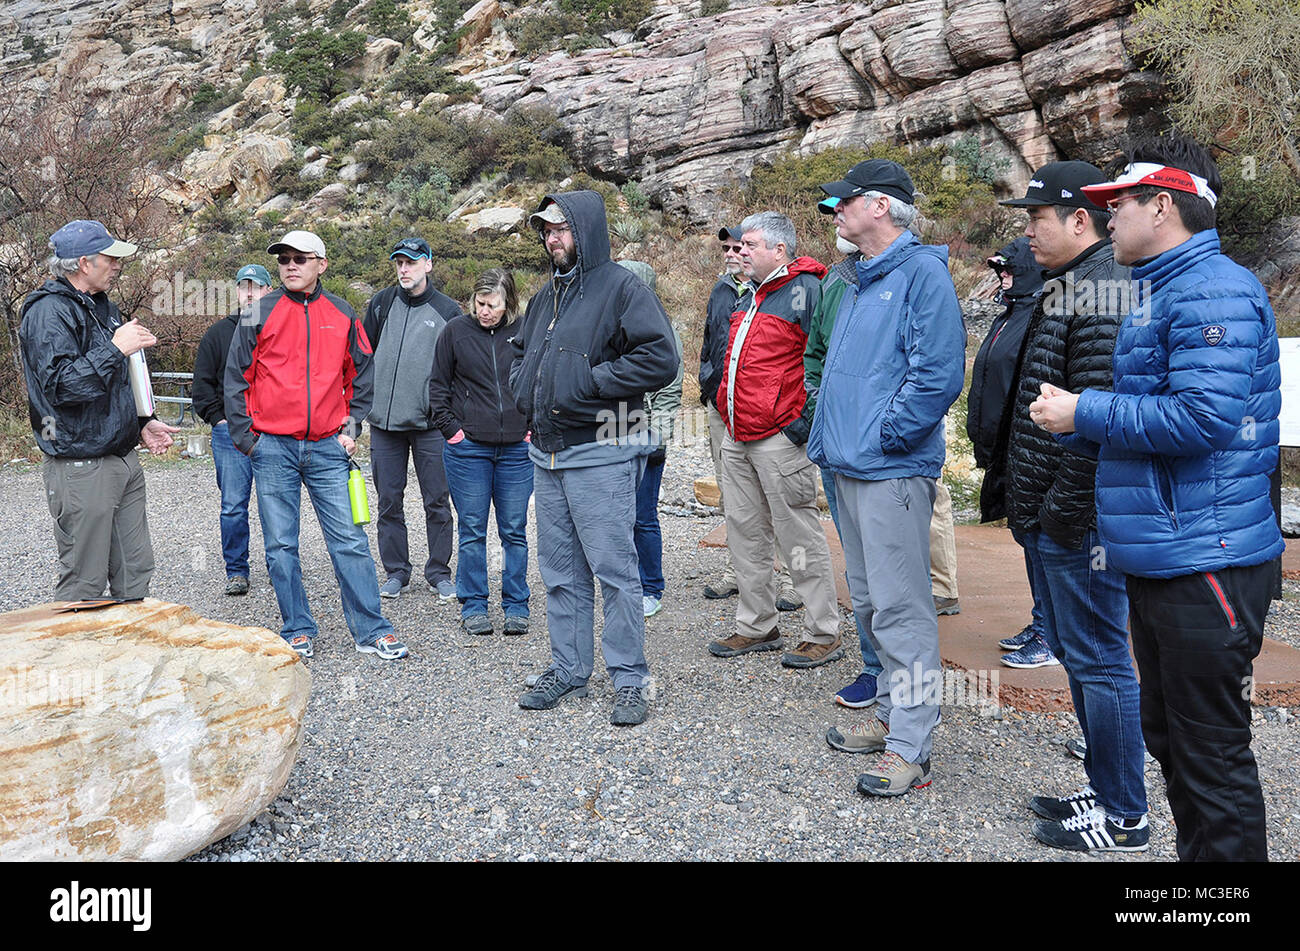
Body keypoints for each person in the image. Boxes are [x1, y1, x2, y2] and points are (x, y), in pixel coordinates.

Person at [1032, 135, 1282, 861]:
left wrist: (1085, 413)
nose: (1105, 217)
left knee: (1211, 756)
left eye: (1119, 203)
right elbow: (1158, 420)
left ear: (1163, 205)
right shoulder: (1162, 288)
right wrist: (1085, 423)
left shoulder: (1214, 290)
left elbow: (1204, 421)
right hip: (1170, 554)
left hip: (1207, 561)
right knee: (1175, 741)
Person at [999, 161, 1148, 852]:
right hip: (1050, 516)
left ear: (1079, 220)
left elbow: (1097, 423)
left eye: (1037, 218)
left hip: (1077, 522)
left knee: (1101, 661)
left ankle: (1124, 816)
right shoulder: (1073, 284)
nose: (1027, 231)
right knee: (1082, 656)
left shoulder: (1102, 291)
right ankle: (1105, 785)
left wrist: (1060, 515)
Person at [810, 160, 965, 796]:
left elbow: (937, 377)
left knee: (903, 609)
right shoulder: (854, 278)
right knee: (872, 602)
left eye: (843, 203)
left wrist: (886, 437)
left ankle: (911, 747)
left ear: (880, 206)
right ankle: (893, 717)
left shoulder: (922, 275)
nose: (834, 214)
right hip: (849, 466)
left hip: (890, 469)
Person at [511, 192, 678, 726]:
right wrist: (522, 388)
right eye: (545, 230)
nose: (551, 238)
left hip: (602, 451)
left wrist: (591, 383)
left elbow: (659, 357)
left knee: (614, 570)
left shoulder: (622, 288)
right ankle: (569, 668)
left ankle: (629, 678)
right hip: (548, 455)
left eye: (560, 228)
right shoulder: (545, 296)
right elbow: (520, 354)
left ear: (585, 229)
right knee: (560, 572)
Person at [225, 230, 407, 661]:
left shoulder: (343, 314)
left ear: (321, 265)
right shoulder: (257, 313)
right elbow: (235, 379)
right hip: (272, 449)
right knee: (281, 545)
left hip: (328, 448)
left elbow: (364, 375)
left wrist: (351, 426)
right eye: (284, 258)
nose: (290, 265)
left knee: (349, 540)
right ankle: (298, 627)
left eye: (300, 258)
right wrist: (247, 439)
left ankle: (372, 629)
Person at [705, 211, 842, 668]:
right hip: (738, 434)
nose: (740, 251)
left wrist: (800, 423)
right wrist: (725, 406)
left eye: (750, 245)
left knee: (797, 534)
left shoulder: (808, 290)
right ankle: (756, 625)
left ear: (779, 250)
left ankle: (823, 630)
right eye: (740, 246)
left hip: (780, 437)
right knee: (744, 533)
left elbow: (828, 360)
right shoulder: (749, 295)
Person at [19, 219, 178, 601]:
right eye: (110, 258)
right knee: (84, 581)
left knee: (135, 571)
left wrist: (143, 421)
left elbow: (114, 379)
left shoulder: (104, 307)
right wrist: (115, 348)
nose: (118, 265)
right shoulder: (48, 312)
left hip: (121, 456)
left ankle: (130, 658)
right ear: (84, 263)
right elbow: (61, 387)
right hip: (80, 462)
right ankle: (75, 660)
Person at [699, 228, 801, 609]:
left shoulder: (789, 291)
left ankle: (792, 579)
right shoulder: (721, 289)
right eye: (726, 247)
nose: (731, 252)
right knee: (734, 498)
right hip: (722, 407)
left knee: (781, 501)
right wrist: (708, 385)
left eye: (739, 246)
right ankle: (737, 572)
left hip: (769, 413)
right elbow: (711, 342)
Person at [430, 268, 532, 636]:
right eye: (479, 303)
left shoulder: (525, 332)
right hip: (468, 450)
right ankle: (473, 604)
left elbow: (538, 379)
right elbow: (437, 386)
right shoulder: (455, 332)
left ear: (509, 304)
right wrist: (453, 432)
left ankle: (516, 604)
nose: (485, 311)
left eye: (493, 305)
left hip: (517, 452)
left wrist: (532, 429)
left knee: (514, 530)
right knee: (472, 529)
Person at [362, 236, 461, 602]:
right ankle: (396, 573)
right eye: (399, 263)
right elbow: (361, 355)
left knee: (437, 500)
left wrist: (448, 416)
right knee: (388, 501)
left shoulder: (449, 312)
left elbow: (458, 371)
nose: (404, 269)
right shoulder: (381, 304)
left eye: (412, 262)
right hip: (384, 426)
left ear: (428, 265)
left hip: (430, 427)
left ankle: (439, 572)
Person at [966, 239, 1051, 656]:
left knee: (1042, 541)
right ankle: (1043, 622)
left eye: (1008, 268)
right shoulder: (1011, 313)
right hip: (1006, 450)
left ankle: (1052, 633)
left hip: (1030, 447)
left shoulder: (1039, 314)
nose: (1001, 275)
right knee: (1027, 537)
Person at [191, 263, 273, 596]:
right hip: (230, 436)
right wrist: (220, 420)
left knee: (275, 504)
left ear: (269, 291)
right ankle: (237, 571)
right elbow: (202, 386)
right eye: (243, 286)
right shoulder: (218, 334)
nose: (250, 292)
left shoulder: (279, 328)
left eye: (256, 286)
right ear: (237, 292)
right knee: (234, 505)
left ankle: (279, 566)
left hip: (272, 433)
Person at [616, 260, 684, 619]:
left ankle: (651, 586)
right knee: (615, 515)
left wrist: (657, 437)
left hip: (645, 438)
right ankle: (623, 583)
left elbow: (670, 391)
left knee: (643, 516)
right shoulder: (609, 324)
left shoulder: (663, 331)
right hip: (611, 433)